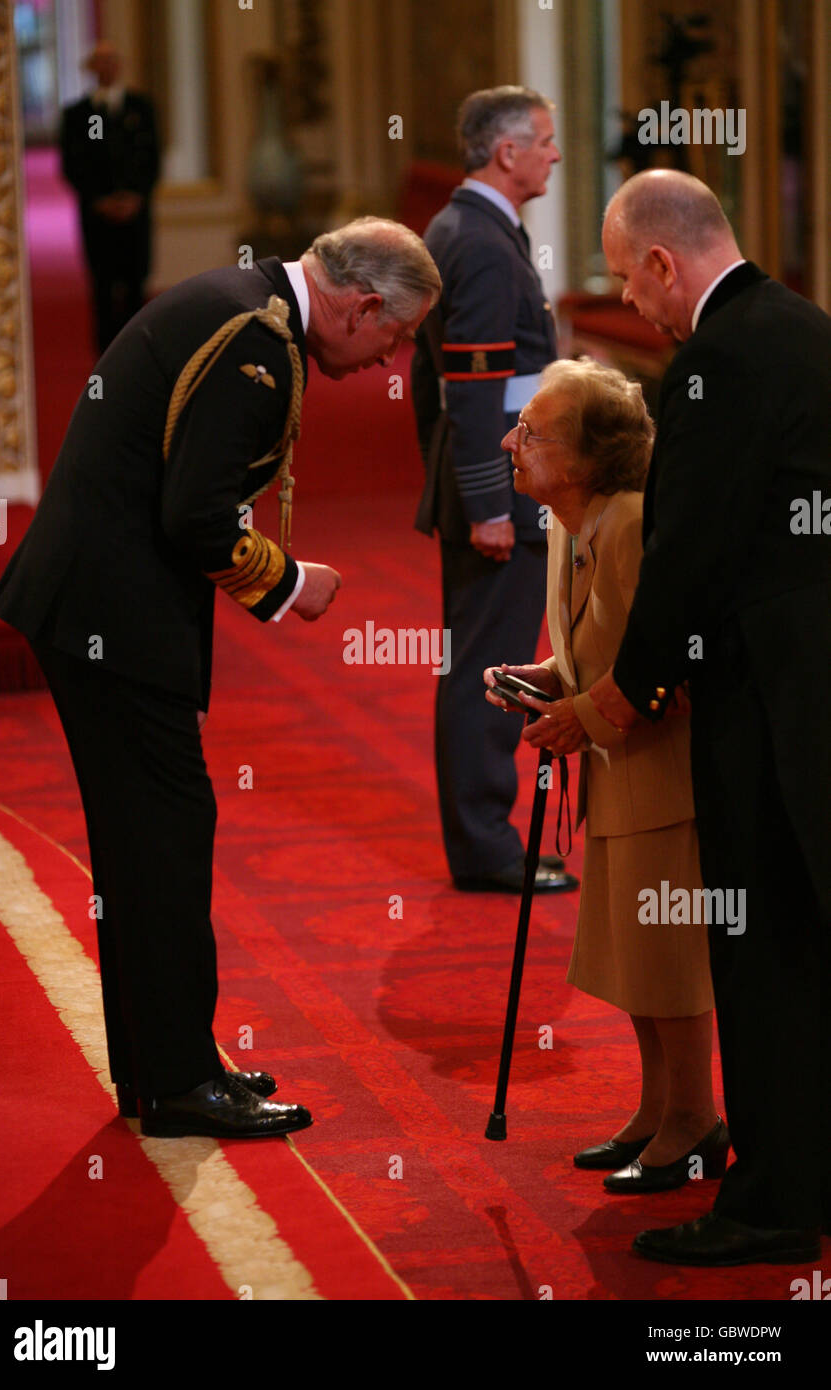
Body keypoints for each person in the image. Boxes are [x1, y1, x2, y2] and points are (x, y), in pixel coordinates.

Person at [0, 219, 441, 1139]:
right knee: (162, 841)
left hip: (101, 607)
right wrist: (289, 584)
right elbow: (195, 517)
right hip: (108, 618)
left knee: (148, 840)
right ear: (360, 307)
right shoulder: (257, 345)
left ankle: (163, 1067)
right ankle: (179, 1083)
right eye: (394, 336)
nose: (387, 360)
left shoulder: (250, 308)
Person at [589, 169, 831, 1265]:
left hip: (770, 698)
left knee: (765, 947)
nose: (626, 302)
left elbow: (691, 546)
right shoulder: (806, 326)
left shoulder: (715, 361)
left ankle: (771, 1204)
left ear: (663, 261)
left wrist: (628, 688)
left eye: (625, 280)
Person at [485, 358, 726, 1192]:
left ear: (588, 458)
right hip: (614, 774)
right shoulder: (566, 522)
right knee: (634, 960)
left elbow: (677, 668)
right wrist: (545, 677)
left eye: (532, 433)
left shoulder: (628, 524)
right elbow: (605, 646)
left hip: (666, 781)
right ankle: (657, 1109)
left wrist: (578, 715)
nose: (509, 442)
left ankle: (695, 1120)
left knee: (669, 960)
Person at [411, 86, 576, 894]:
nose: (554, 154)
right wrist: (484, 503)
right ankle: (486, 851)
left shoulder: (469, 228)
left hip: (494, 483)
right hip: (501, 495)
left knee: (481, 660)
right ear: (505, 152)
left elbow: (430, 384)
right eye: (543, 141)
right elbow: (474, 391)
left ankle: (485, 841)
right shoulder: (477, 241)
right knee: (488, 667)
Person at [60, 41, 160, 353]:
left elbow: (152, 159)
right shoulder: (78, 115)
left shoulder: (141, 108)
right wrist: (99, 200)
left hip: (135, 214)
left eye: (111, 60)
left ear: (120, 65)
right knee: (102, 287)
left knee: (134, 284)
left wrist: (135, 198)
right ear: (91, 67)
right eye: (100, 60)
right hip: (97, 217)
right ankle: (106, 357)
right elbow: (72, 164)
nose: (106, 66)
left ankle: (137, 353)